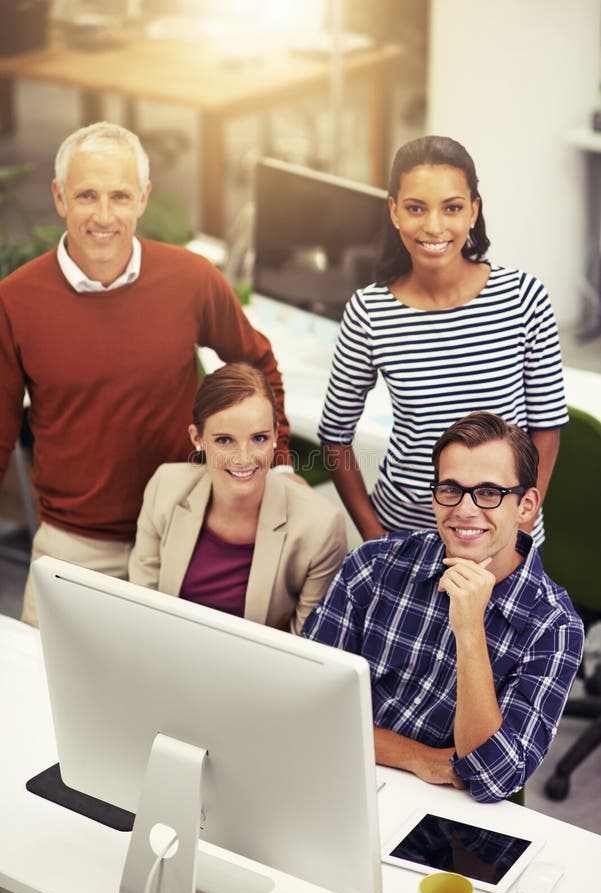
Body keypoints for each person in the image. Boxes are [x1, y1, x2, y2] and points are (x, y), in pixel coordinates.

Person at [0, 122, 293, 628]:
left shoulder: (191, 278)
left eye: (120, 195)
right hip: (76, 545)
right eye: (87, 195)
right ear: (59, 198)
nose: (104, 215)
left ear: (143, 199)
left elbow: (257, 364)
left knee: (182, 696)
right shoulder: (15, 299)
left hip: (186, 535)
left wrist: (279, 468)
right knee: (42, 694)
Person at [303, 412, 584, 802]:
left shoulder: (554, 626)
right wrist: (418, 757)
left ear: (525, 506)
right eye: (450, 489)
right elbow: (303, 705)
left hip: (446, 818)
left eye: (489, 493)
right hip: (334, 774)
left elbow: (491, 775)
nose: (465, 510)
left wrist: (470, 628)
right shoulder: (373, 565)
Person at [319, 135, 567, 545]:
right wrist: (375, 536)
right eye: (416, 208)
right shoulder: (369, 312)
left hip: (504, 536)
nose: (434, 226)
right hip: (407, 533)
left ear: (473, 211)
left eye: (451, 208)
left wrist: (517, 532)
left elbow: (546, 431)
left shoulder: (524, 298)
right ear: (394, 212)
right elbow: (335, 436)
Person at [129, 363, 348, 634]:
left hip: (262, 673)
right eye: (224, 440)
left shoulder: (321, 527)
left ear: (275, 436)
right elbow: (141, 606)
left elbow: (304, 648)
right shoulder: (166, 486)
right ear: (197, 438)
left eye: (259, 438)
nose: (244, 458)